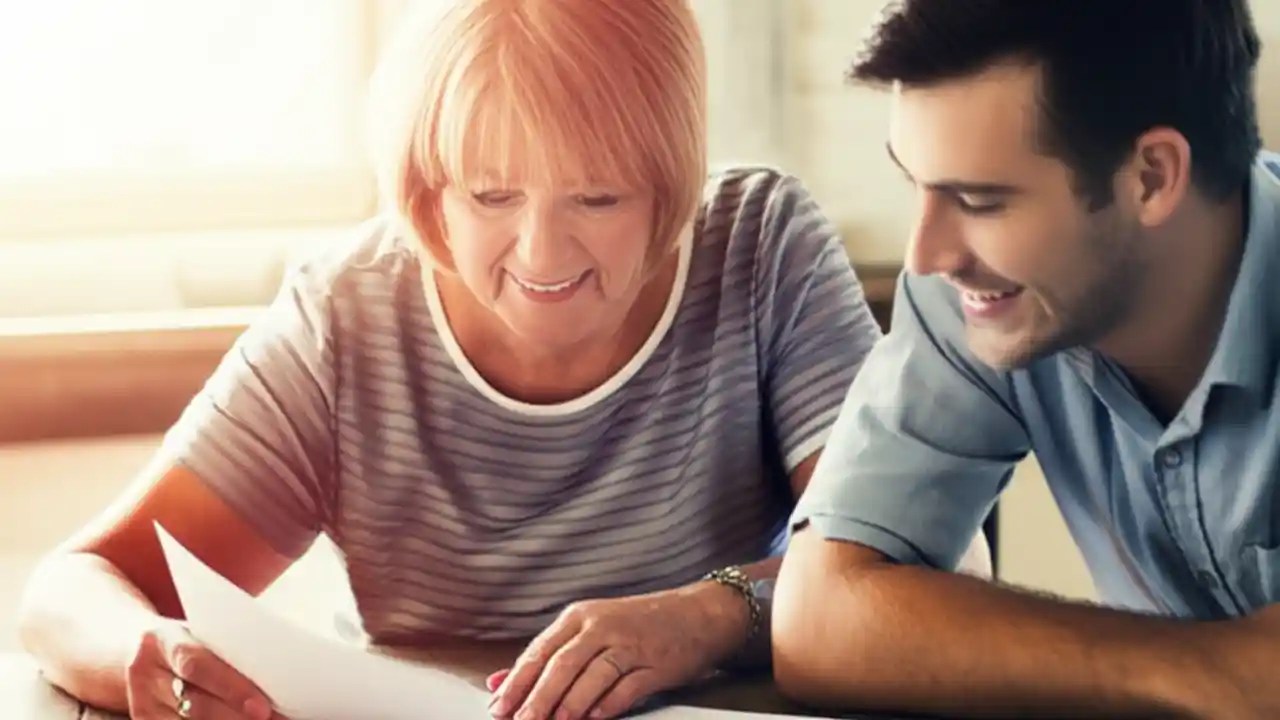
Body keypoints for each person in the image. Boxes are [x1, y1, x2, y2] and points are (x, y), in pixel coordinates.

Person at [13, 2, 955, 719]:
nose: (541, 255)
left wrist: (702, 616)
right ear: (430, 187)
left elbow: (886, 564)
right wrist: (150, 652)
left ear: (668, 184)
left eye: (598, 198)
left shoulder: (760, 248)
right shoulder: (348, 318)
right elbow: (70, 589)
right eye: (494, 193)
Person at [773, 0, 1280, 718]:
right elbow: (820, 618)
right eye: (914, 183)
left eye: (980, 201)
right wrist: (1214, 671)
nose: (928, 254)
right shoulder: (979, 297)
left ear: (1152, 177)